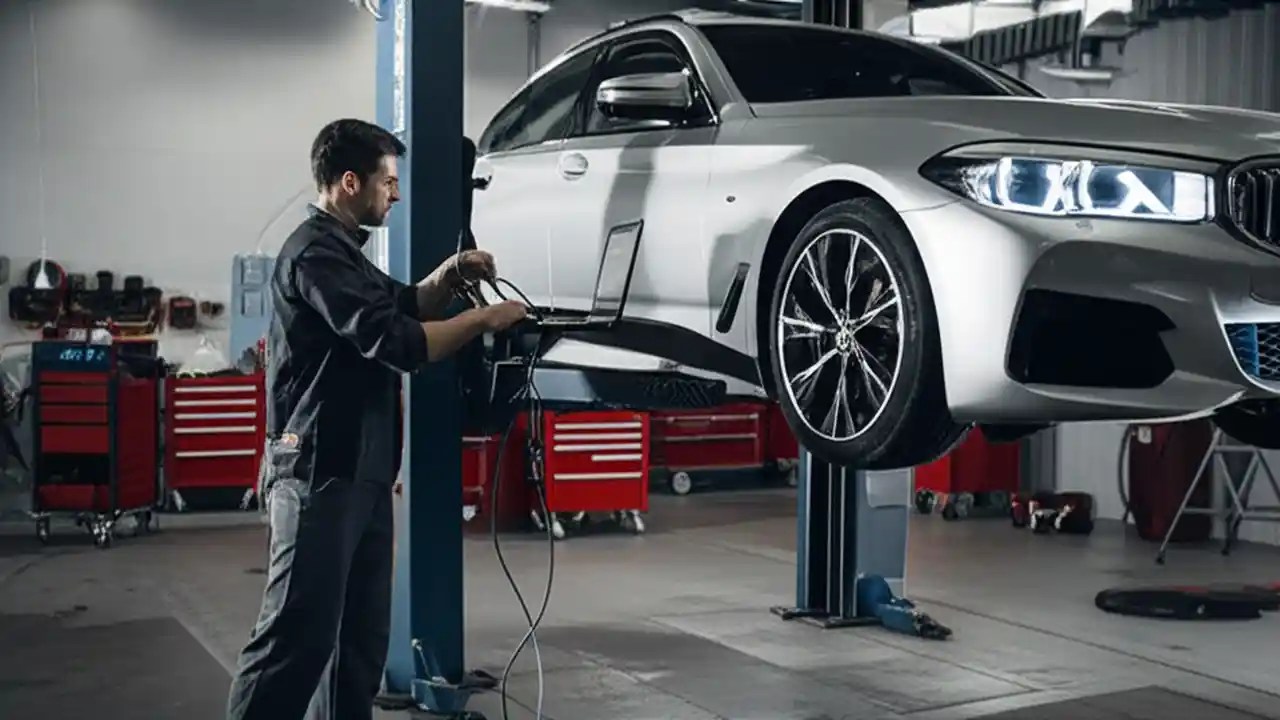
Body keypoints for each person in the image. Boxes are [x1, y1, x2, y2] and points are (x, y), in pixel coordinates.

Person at [225, 118, 527, 720]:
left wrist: (450, 275)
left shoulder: (344, 252)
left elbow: (405, 304)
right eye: (387, 181)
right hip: (318, 472)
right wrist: (482, 321)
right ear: (349, 182)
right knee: (294, 640)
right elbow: (399, 341)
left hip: (360, 470)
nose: (396, 193)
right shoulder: (315, 255)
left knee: (357, 645)